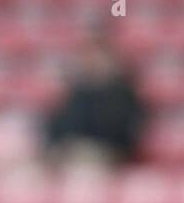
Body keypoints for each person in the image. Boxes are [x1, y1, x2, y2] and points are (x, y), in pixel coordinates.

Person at [42, 29, 148, 167]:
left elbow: (122, 133)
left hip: (105, 154)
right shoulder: (75, 92)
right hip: (69, 150)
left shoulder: (123, 94)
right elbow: (57, 127)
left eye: (97, 57)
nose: (92, 63)